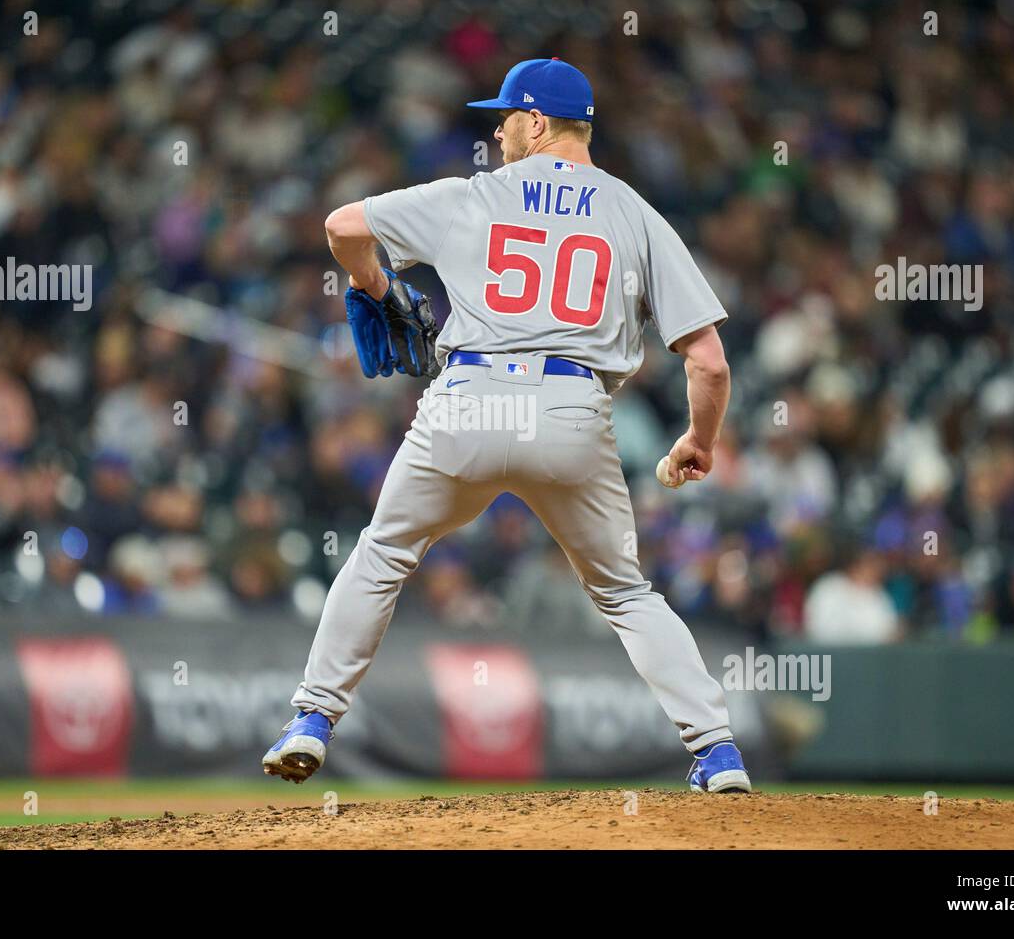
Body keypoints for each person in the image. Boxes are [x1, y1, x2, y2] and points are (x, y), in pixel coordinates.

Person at [263, 59, 751, 793]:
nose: (496, 129)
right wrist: (700, 442)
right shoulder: (634, 212)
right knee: (624, 594)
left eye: (505, 115)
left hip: (468, 402)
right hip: (571, 411)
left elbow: (341, 225)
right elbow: (708, 362)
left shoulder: (473, 195)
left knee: (385, 553)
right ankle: (717, 753)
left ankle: (312, 720)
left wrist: (374, 283)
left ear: (537, 122)